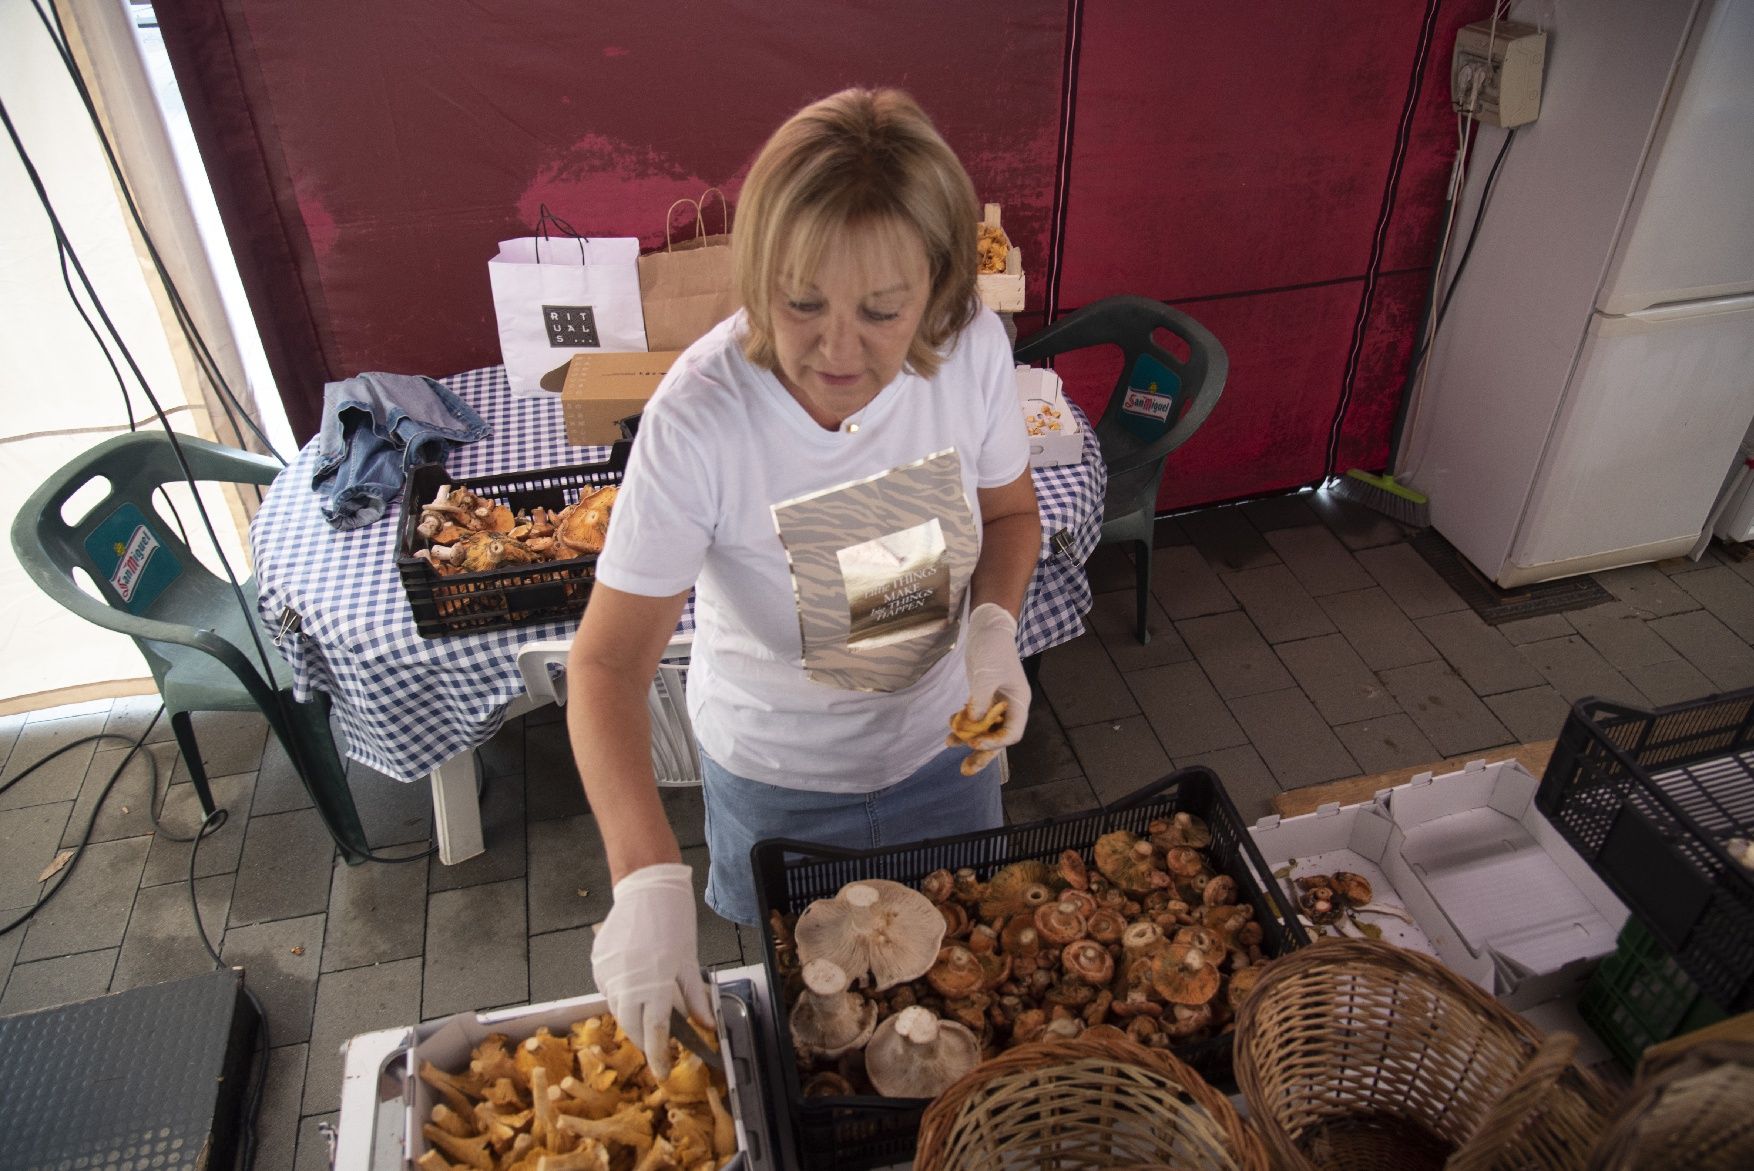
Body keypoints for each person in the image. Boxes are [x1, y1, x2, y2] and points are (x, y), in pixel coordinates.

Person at [567, 87, 1040, 1073]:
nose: (835, 349)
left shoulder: (970, 354)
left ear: (940, 285)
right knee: (817, 1025)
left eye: (880, 312)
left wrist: (991, 630)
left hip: (940, 760)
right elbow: (606, 666)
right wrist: (645, 875)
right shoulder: (700, 419)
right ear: (758, 274)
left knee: (948, 1010)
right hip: (779, 781)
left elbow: (1007, 514)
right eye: (799, 303)